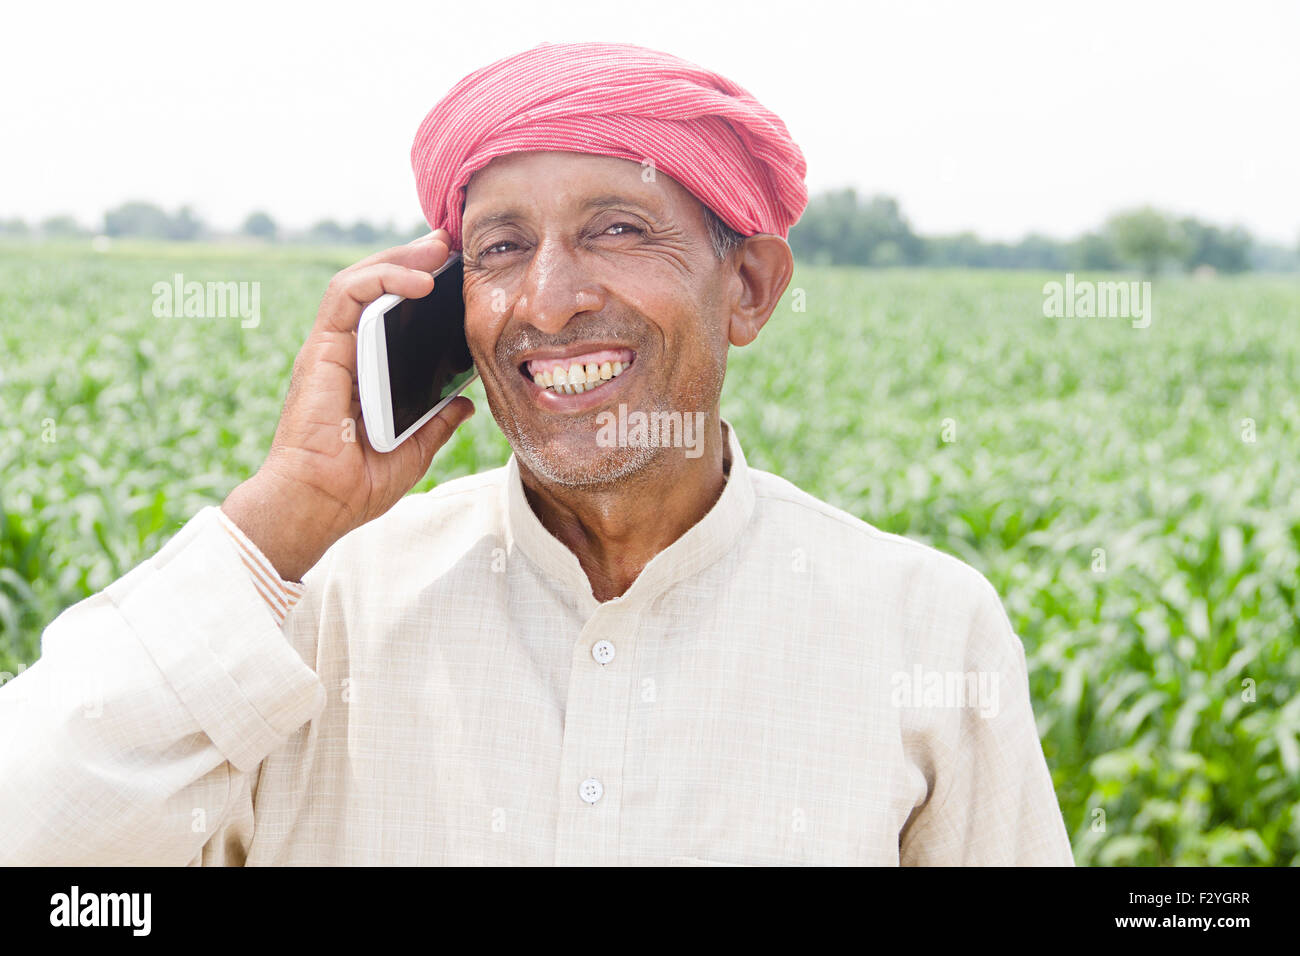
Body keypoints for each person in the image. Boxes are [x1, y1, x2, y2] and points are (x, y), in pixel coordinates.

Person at [0, 42, 1073, 865]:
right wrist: (289, 507)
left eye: (615, 229)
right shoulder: (318, 607)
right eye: (503, 247)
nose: (550, 302)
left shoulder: (926, 625)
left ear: (747, 287)